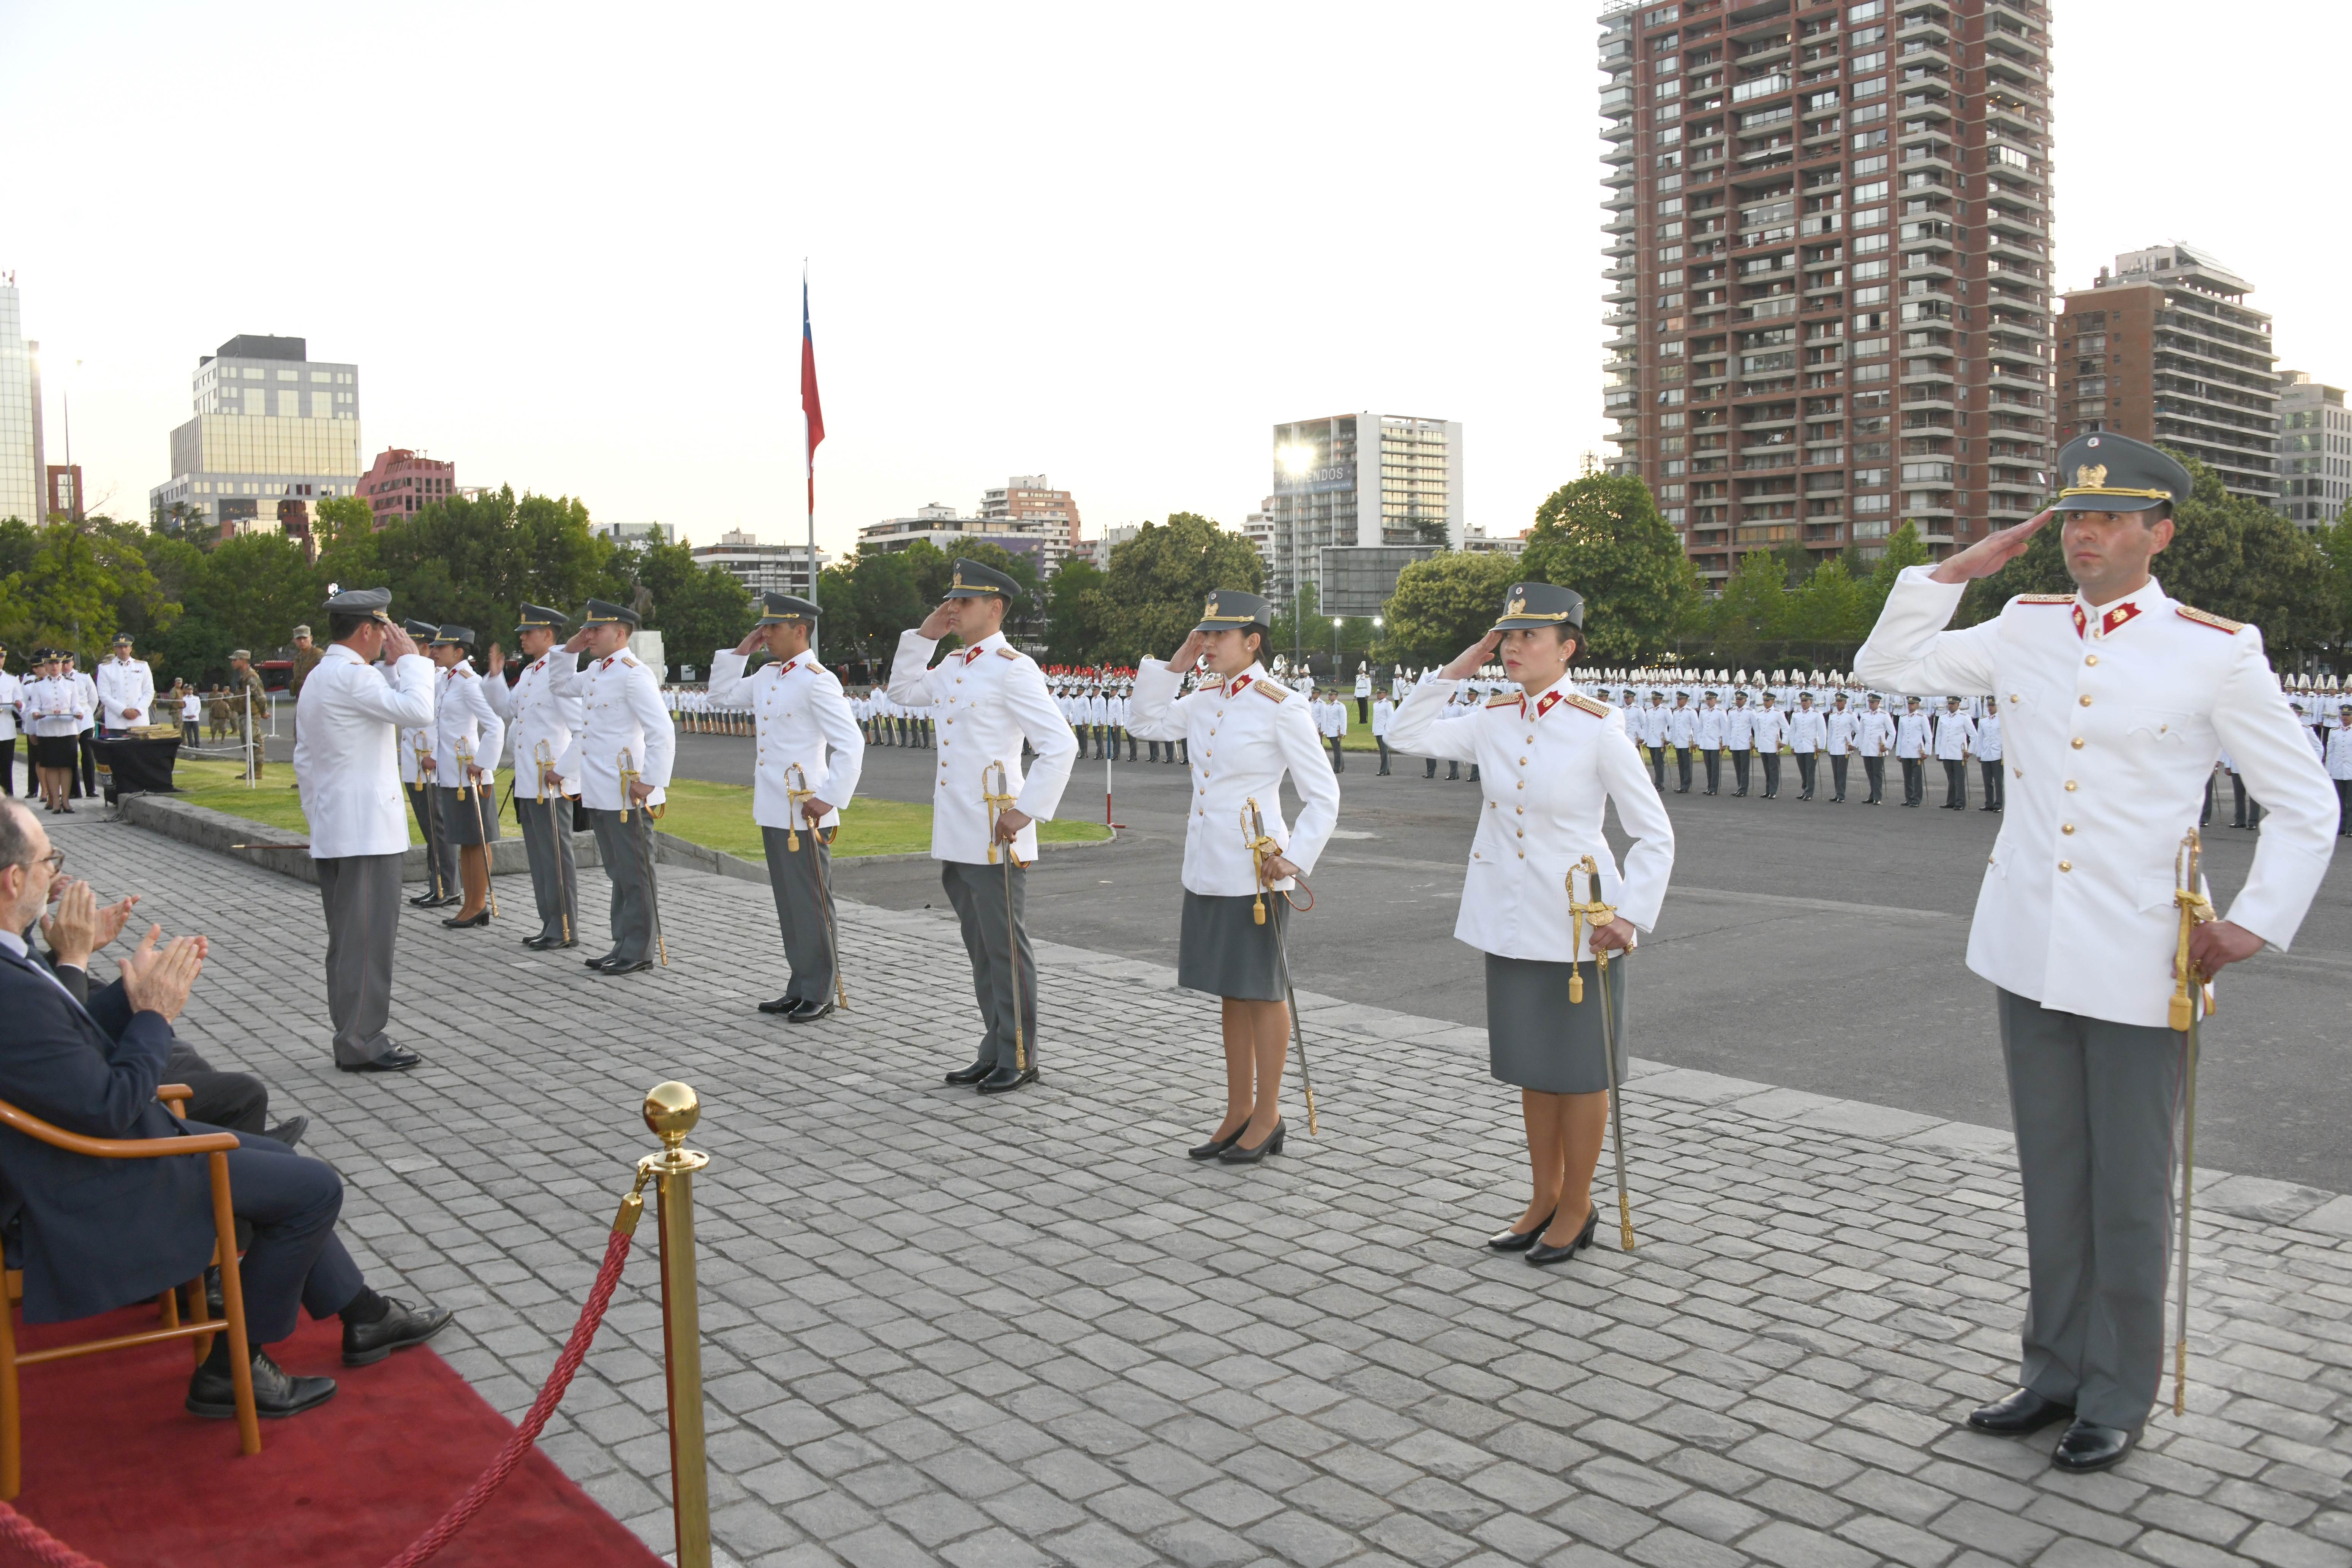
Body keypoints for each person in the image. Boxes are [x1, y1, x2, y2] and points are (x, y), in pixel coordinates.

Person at [1856, 430, 2338, 1474]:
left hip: (2142, 959)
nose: (2085, 534)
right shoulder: (2023, 627)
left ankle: (2119, 1392)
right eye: (2075, 517)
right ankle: (2053, 1371)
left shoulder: (2215, 650)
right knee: (2053, 1174)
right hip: (2028, 946)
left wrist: (2253, 921)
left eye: (2110, 517)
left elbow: (2305, 803)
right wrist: (1954, 574)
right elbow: (1884, 667)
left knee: (2129, 1186)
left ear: (2158, 533)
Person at [0, 798, 452, 1417]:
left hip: (88, 1161)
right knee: (314, 1187)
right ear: (13, 879)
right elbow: (107, 1105)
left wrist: (130, 996)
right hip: (94, 1183)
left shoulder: (11, 960)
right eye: (50, 858)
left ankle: (364, 1315)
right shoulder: (8, 986)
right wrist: (154, 1014)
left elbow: (64, 1043)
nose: (59, 872)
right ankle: (235, 1364)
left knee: (275, 1160)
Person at [1388, 582, 1674, 1267]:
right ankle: (1542, 1196)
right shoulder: (1491, 717)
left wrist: (1631, 914)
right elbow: (1403, 733)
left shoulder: (1595, 724)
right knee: (1533, 1068)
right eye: (1506, 637)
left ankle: (1578, 1204)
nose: (1512, 647)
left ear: (1567, 648)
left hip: (1579, 922)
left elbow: (1653, 832)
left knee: (1577, 1072)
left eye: (1528, 637)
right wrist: (1457, 668)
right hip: (1508, 917)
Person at [1127, 590, 1339, 1164]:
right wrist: (1176, 663)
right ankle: (1237, 1109)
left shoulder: (1281, 704)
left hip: (1257, 872)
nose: (1209, 643)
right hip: (1208, 866)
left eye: (1220, 635)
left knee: (1262, 993)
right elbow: (1143, 721)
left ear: (1253, 641)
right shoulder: (1201, 698)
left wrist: (1296, 856)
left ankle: (1268, 1115)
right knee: (1230, 993)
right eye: (1205, 633)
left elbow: (1324, 793)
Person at [887, 560, 1076, 1094]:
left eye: (964, 602)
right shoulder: (952, 665)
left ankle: (1020, 1054)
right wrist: (925, 635)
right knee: (981, 949)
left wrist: (1027, 810)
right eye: (950, 600)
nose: (953, 608)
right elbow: (901, 693)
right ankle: (994, 1047)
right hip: (958, 831)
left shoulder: (1013, 668)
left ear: (995, 609)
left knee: (1006, 949)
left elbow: (1060, 744)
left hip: (998, 832)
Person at [292, 589, 438, 1072]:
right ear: (367, 630)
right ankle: (360, 1039)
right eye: (384, 630)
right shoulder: (351, 676)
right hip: (367, 832)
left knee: (349, 940)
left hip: (340, 826)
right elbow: (418, 711)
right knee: (367, 941)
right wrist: (412, 663)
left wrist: (320, 817)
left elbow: (304, 760)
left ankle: (354, 1031)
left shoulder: (320, 676)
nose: (388, 639)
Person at [709, 593, 865, 1021]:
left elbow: (851, 744)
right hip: (775, 807)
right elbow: (719, 697)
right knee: (789, 902)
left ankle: (820, 991)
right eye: (763, 627)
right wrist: (741, 652)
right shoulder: (766, 676)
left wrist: (830, 797)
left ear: (800, 630)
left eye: (772, 628)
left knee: (812, 901)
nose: (765, 635)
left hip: (807, 811)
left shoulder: (817, 680)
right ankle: (799, 984)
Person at [554, 600, 676, 975]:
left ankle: (638, 949)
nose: (588, 635)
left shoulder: (632, 674)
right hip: (601, 790)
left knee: (636, 873)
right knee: (618, 873)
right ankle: (622, 942)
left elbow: (662, 731)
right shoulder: (595, 671)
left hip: (628, 794)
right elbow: (558, 685)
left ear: (620, 634)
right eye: (587, 629)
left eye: (596, 630)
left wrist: (651, 781)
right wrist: (570, 648)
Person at [486, 605, 585, 951]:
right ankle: (550, 924)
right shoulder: (530, 672)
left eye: (529, 632)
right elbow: (508, 709)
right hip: (530, 780)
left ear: (548, 635)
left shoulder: (560, 675)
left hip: (553, 783)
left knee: (557, 856)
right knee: (540, 857)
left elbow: (582, 730)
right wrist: (497, 676)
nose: (523, 638)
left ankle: (566, 928)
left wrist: (564, 771)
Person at [424, 628, 505, 930]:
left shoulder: (468, 683)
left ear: (458, 652)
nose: (434, 651)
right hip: (452, 775)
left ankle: (478, 904)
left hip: (470, 776)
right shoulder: (449, 680)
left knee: (477, 840)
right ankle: (471, 904)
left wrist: (482, 763)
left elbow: (495, 726)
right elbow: (444, 726)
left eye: (441, 648)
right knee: (465, 842)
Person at [22, 651, 85, 814]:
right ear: (46, 666)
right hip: (48, 730)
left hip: (67, 729)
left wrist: (79, 713)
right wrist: (36, 714)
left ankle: (66, 801)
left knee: (67, 767)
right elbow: (34, 706)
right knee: (51, 767)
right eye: (51, 664)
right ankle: (55, 802)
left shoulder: (71, 684)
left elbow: (76, 705)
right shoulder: (38, 685)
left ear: (62, 664)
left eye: (58, 663)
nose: (55, 666)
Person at [95, 633, 153, 739]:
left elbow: (149, 692)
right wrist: (123, 711)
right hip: (117, 720)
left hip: (139, 720)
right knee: (118, 754)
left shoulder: (143, 666)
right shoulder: (105, 668)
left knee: (140, 753)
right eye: (120, 647)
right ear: (114, 649)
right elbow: (104, 695)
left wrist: (138, 710)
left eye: (126, 647)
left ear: (131, 648)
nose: (123, 650)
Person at [226, 649, 269, 780]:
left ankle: (257, 772)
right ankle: (251, 771)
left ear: (243, 661)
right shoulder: (243, 676)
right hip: (243, 713)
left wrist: (263, 712)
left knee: (255, 742)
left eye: (235, 660)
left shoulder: (251, 677)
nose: (233, 662)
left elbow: (261, 698)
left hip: (252, 714)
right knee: (246, 743)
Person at [1933, 694, 1976, 809]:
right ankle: (1951, 801)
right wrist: (1938, 752)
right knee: (1951, 778)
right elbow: (1939, 736)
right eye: (1949, 704)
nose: (1950, 706)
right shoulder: (1943, 717)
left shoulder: (1964, 717)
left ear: (1958, 705)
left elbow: (1974, 736)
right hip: (1946, 752)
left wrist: (1970, 752)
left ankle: (1960, 802)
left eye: (1953, 704)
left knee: (1959, 779)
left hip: (1959, 753)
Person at [1788, 691, 1826, 801]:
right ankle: (1805, 790)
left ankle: (1809, 792)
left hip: (1811, 746)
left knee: (1810, 770)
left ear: (1811, 702)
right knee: (1803, 770)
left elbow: (1823, 731)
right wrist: (1793, 746)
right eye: (1802, 701)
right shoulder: (1796, 715)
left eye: (1805, 701)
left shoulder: (1817, 714)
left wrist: (1821, 746)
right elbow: (1792, 731)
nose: (1803, 703)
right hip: (1800, 746)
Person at [1894, 695, 1932, 806]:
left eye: (1913, 704)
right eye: (1909, 704)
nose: (1910, 706)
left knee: (1917, 777)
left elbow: (1928, 735)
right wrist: (1898, 753)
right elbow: (1900, 736)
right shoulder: (1903, 718)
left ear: (1917, 705)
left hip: (1917, 751)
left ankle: (1916, 799)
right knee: (1907, 777)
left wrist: (1927, 752)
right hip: (1906, 751)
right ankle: (1909, 798)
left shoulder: (1922, 717)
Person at [1752, 692, 1787, 800]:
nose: (1765, 703)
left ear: (1773, 701)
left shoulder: (1778, 713)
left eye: (1767, 701)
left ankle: (1773, 791)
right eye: (1764, 701)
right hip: (1763, 745)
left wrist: (1784, 743)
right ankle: (1768, 790)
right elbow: (1757, 731)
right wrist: (1757, 744)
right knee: (1767, 769)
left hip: (1773, 745)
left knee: (1774, 769)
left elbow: (1786, 728)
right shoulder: (1760, 713)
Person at [1824, 691, 1857, 803]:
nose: (1838, 704)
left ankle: (1841, 795)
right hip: (1834, 748)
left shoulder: (1851, 716)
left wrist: (1854, 744)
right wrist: (1829, 748)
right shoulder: (1832, 716)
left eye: (1840, 701)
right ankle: (1838, 793)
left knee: (1842, 772)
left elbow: (1859, 731)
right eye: (1837, 701)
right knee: (1836, 773)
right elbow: (1830, 733)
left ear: (1845, 702)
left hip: (1844, 748)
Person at [1977, 695, 2006, 812]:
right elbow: (1980, 738)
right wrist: (1979, 754)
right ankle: (1989, 803)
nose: (1990, 708)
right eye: (1989, 706)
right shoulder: (1983, 721)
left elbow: (2005, 738)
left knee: (1998, 781)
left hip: (1998, 754)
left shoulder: (2003, 720)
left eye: (1992, 706)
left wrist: (2005, 753)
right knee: (1987, 781)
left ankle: (1998, 804)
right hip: (1986, 754)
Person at [1694, 690, 1726, 795]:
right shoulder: (1703, 712)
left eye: (1711, 699)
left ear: (1715, 700)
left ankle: (1714, 788)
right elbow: (1700, 728)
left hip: (1715, 743)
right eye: (1707, 699)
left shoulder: (1720, 712)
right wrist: (1698, 742)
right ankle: (1710, 787)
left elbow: (1724, 729)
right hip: (1706, 742)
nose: (1709, 701)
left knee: (1715, 767)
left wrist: (1724, 743)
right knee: (1708, 766)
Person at [1665, 692, 1697, 793]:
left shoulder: (1691, 712)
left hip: (1687, 742)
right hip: (1678, 741)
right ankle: (1682, 784)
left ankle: (1686, 785)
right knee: (1681, 764)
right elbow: (1673, 727)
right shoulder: (1676, 712)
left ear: (1686, 700)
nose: (1678, 701)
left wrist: (1696, 742)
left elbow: (1696, 727)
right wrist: (1669, 739)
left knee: (1687, 764)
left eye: (1680, 700)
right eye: (1678, 700)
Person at [1725, 690, 1756, 796]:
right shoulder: (1732, 712)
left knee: (1744, 768)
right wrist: (1728, 742)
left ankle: (1744, 789)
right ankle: (1740, 787)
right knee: (1738, 767)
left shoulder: (1750, 712)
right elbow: (1728, 729)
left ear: (1745, 700)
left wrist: (1755, 742)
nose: (1738, 701)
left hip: (1745, 743)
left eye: (1741, 699)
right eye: (1737, 699)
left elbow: (1756, 728)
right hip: (1735, 743)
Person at [2329, 705, 2352, 835]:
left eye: (2348, 715)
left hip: (2351, 772)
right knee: (2339, 801)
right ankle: (2342, 826)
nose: (2345, 717)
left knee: (2351, 801)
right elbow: (2331, 752)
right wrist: (2329, 771)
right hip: (2338, 770)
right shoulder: (2334, 732)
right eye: (2343, 715)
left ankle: (2350, 827)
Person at [1370, 690, 1395, 775]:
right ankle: (1387, 769)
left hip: (1384, 730)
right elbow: (1375, 719)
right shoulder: (1375, 704)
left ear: (1385, 694)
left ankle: (1383, 770)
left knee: (1384, 751)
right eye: (1377, 693)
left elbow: (1391, 718)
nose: (1378, 695)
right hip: (1378, 730)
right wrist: (1374, 730)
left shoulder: (1388, 704)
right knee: (1382, 751)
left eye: (1380, 693)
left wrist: (1389, 730)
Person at [1353, 660, 1372, 725]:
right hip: (1359, 694)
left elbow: (1369, 686)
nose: (1360, 671)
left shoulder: (1366, 677)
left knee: (1364, 708)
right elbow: (1357, 686)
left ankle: (1365, 720)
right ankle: (1361, 720)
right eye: (1359, 670)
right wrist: (1355, 694)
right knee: (1360, 708)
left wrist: (1368, 694)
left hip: (1364, 694)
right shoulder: (1358, 677)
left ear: (1363, 671)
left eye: (1361, 670)